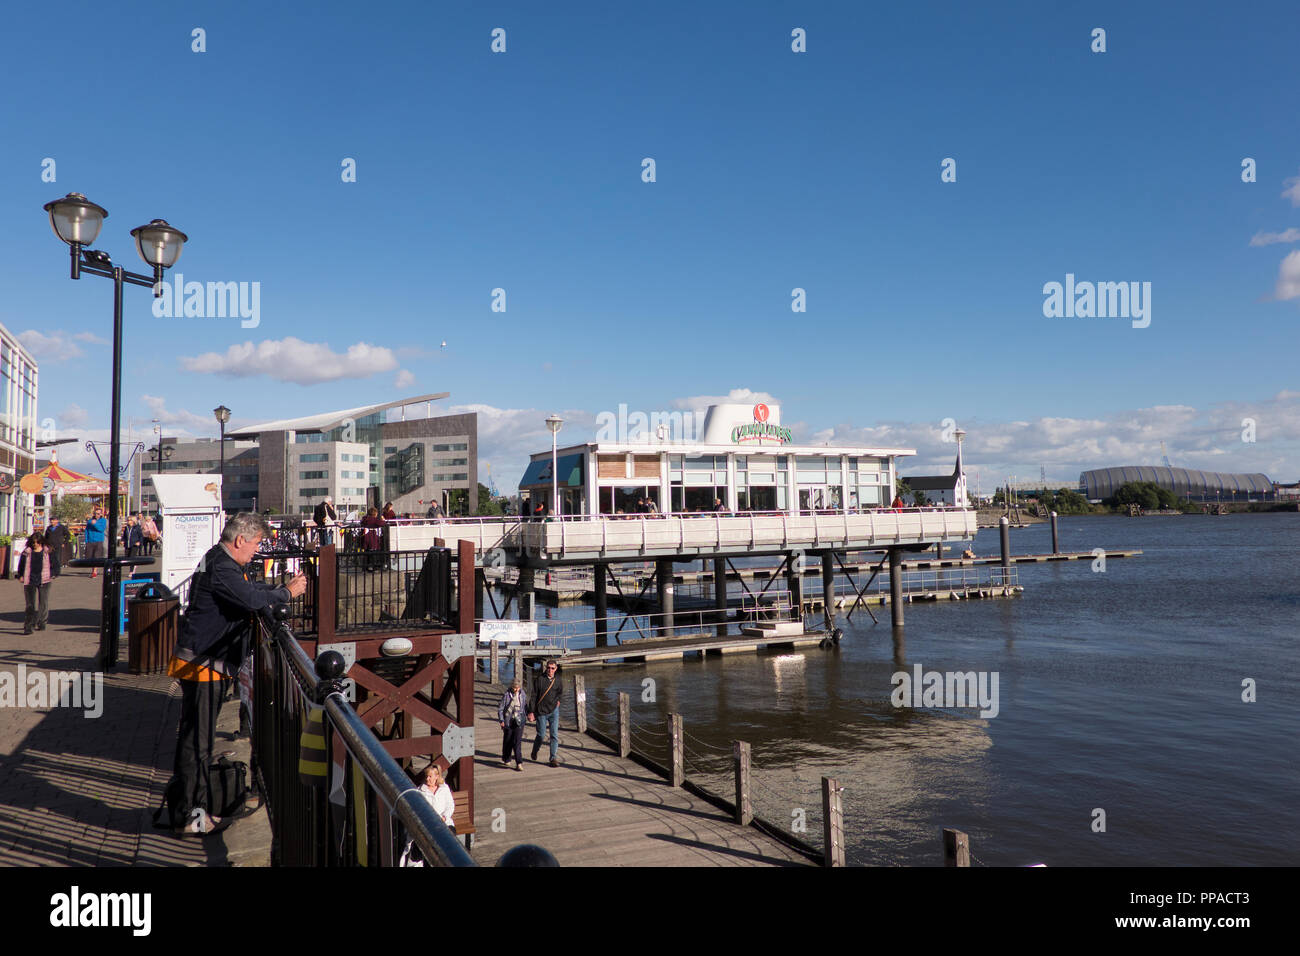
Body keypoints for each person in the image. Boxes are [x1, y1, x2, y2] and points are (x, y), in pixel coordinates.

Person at [164, 512, 307, 835]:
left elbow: (248, 591)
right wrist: (286, 593)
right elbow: (252, 599)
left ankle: (187, 808)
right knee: (197, 741)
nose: (257, 550)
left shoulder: (221, 561)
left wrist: (272, 591)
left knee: (195, 738)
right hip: (204, 662)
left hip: (202, 659)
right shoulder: (222, 567)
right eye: (256, 544)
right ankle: (190, 816)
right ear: (240, 540)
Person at [16, 533, 60, 634]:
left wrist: (53, 573)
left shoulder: (48, 551)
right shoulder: (26, 552)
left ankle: (42, 622)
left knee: (43, 602)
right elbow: (21, 565)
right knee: (30, 605)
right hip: (29, 579)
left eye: (37, 542)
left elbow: (56, 564)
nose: (35, 544)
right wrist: (20, 575)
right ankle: (29, 626)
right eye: (33, 542)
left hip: (44, 579)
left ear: (41, 542)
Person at [528, 659, 564, 767]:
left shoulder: (558, 679)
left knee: (554, 735)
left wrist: (558, 701)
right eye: (548, 668)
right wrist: (531, 712)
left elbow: (560, 692)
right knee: (541, 735)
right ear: (546, 668)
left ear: (556, 668)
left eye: (553, 668)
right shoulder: (540, 679)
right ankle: (535, 751)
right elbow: (533, 696)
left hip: (554, 711)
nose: (550, 670)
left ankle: (553, 758)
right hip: (541, 711)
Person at [498, 677, 527, 770]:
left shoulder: (522, 694)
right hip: (508, 720)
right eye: (514, 688)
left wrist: (528, 716)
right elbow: (501, 708)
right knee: (508, 740)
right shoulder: (507, 695)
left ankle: (519, 763)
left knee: (517, 742)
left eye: (517, 688)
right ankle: (507, 758)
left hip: (519, 721)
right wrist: (501, 720)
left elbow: (525, 707)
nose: (516, 690)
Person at [417, 764, 456, 831]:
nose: (427, 779)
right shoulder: (420, 790)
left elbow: (450, 805)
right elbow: (419, 809)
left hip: (445, 822)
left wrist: (444, 817)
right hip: (429, 824)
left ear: (437, 776)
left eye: (430, 776)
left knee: (450, 835)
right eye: (426, 776)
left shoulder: (444, 788)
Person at [83, 506, 107, 578]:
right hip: (90, 541)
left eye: (99, 514)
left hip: (99, 541)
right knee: (91, 557)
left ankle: (95, 571)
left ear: (101, 514)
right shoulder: (90, 521)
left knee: (97, 556)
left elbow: (101, 529)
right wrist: (86, 540)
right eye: (96, 513)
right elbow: (87, 531)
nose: (97, 515)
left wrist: (95, 524)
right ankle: (93, 570)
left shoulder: (103, 520)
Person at [361, 506, 385, 571]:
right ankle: (374, 566)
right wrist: (383, 519)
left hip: (366, 537)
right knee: (374, 552)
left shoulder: (365, 519)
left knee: (367, 551)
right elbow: (382, 523)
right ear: (375, 513)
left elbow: (362, 523)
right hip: (373, 536)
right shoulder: (374, 520)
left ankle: (365, 566)